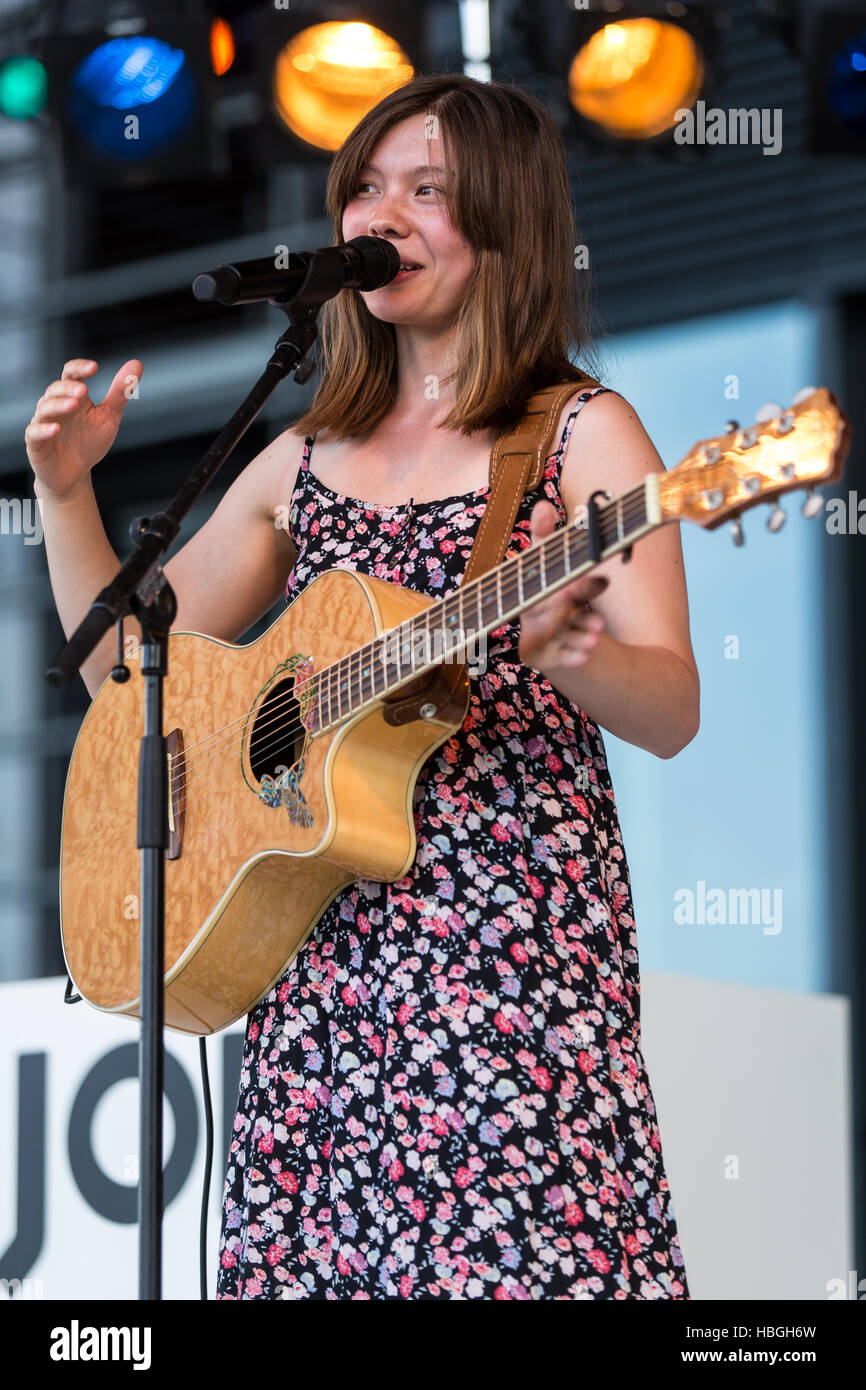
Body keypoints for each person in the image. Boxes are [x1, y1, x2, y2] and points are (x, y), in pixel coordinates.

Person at [26, 72, 699, 1300]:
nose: (380, 213)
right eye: (366, 188)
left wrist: (574, 653)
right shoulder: (305, 455)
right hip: (320, 967)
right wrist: (67, 492)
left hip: (507, 982)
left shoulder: (579, 434)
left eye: (426, 190)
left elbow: (670, 709)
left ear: (503, 223)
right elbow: (121, 671)